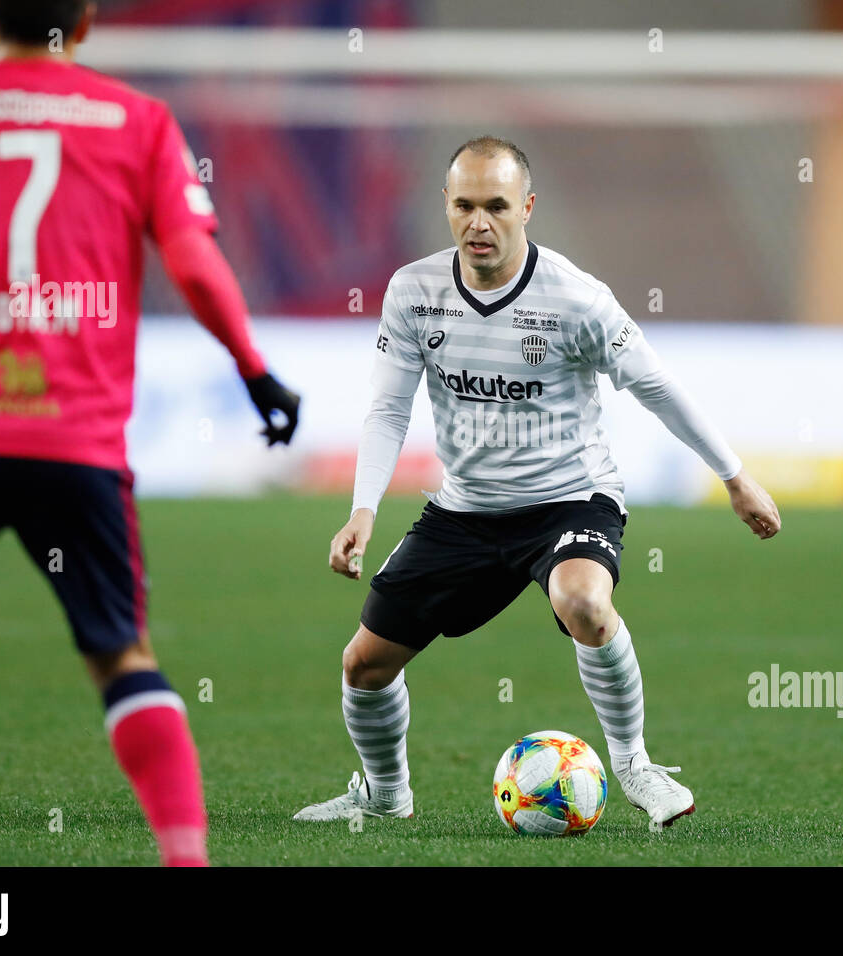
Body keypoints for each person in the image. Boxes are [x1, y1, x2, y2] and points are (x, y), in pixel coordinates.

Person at [0, 0, 301, 866]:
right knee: (122, 654)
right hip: (77, 444)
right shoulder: (139, 123)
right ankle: (185, 859)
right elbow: (194, 264)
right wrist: (254, 368)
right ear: (87, 22)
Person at [297, 135, 780, 827]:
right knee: (365, 665)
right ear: (445, 205)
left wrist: (735, 477)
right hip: (464, 512)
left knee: (583, 601)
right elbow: (388, 406)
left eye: (496, 205)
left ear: (527, 206)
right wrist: (363, 510)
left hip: (571, 499)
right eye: (464, 205)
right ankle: (384, 793)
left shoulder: (576, 300)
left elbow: (656, 384)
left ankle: (638, 768)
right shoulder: (415, 292)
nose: (479, 223)